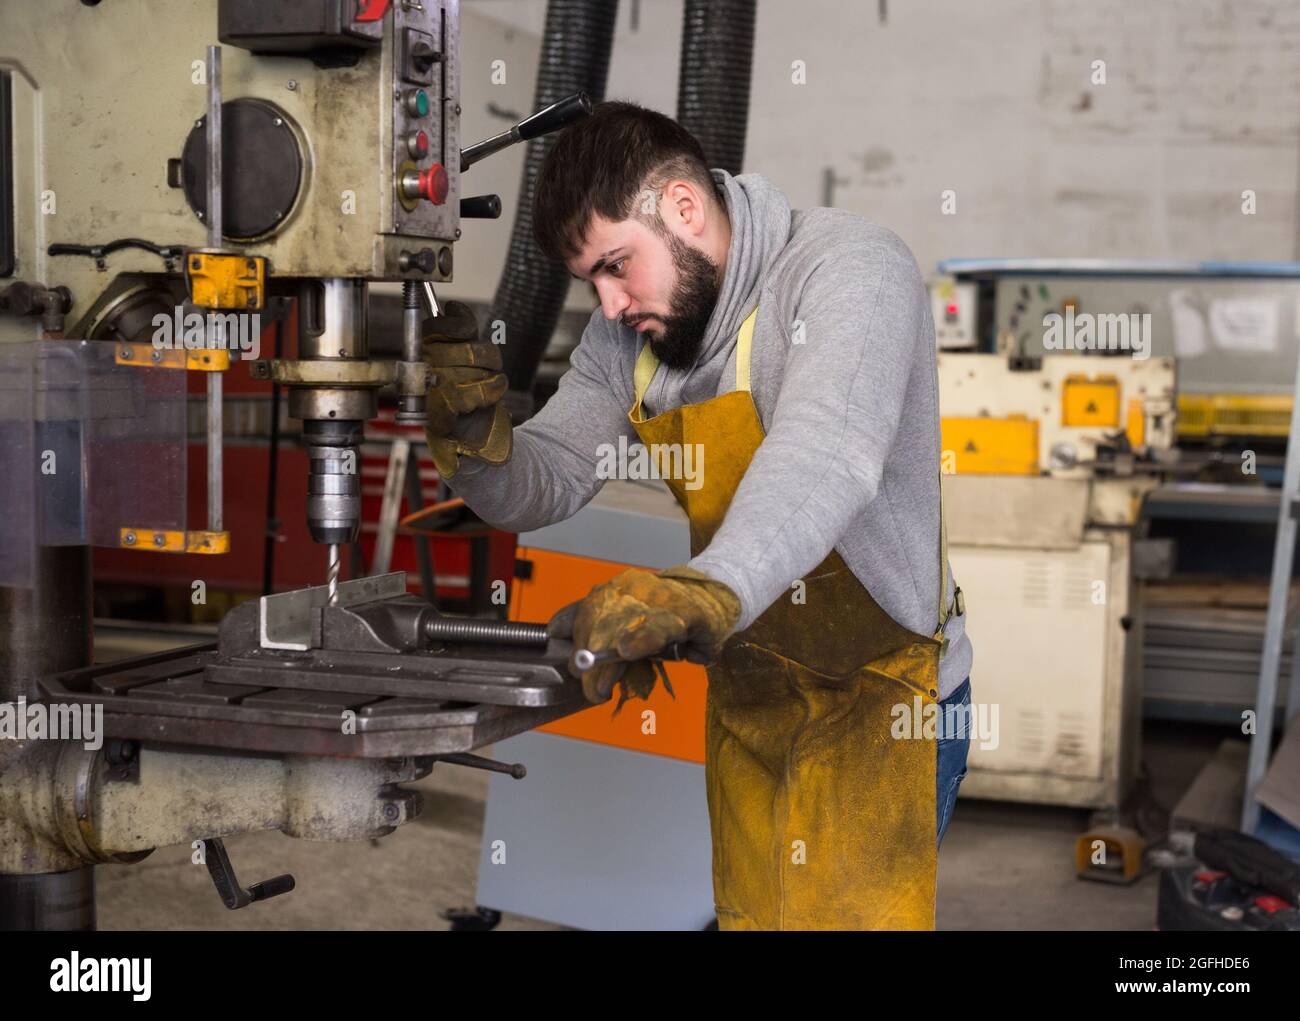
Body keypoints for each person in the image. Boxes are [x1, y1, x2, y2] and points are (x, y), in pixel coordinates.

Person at [422, 100, 973, 930]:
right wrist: (476, 447)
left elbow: (828, 455)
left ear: (682, 207)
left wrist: (704, 589)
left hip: (885, 697)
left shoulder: (850, 269)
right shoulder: (629, 338)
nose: (607, 305)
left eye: (616, 266)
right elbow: (556, 474)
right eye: (591, 282)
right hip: (752, 687)